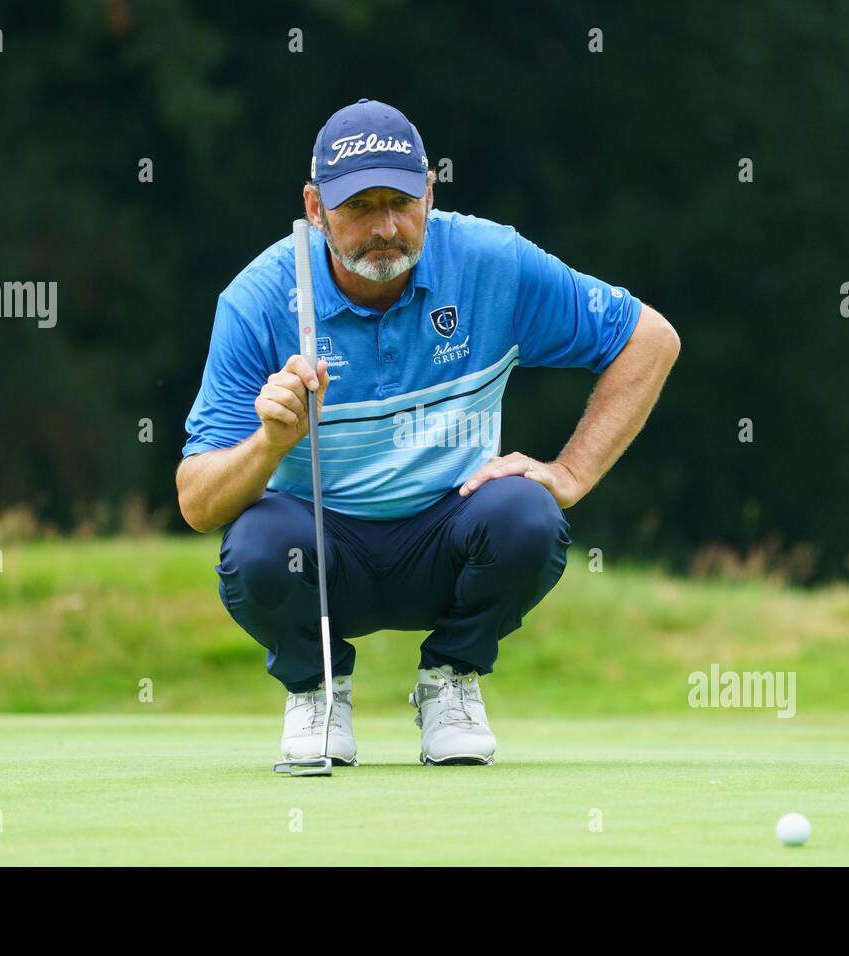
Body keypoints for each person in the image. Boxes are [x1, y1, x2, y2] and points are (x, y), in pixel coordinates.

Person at [177, 99, 680, 766]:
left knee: (527, 515)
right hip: (323, 553)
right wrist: (270, 443)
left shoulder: (491, 262)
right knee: (257, 544)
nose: (386, 227)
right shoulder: (259, 299)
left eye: (401, 202)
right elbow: (197, 502)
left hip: (449, 539)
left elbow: (649, 338)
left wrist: (571, 472)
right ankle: (316, 690)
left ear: (430, 193)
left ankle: (451, 678)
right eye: (360, 207)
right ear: (315, 208)